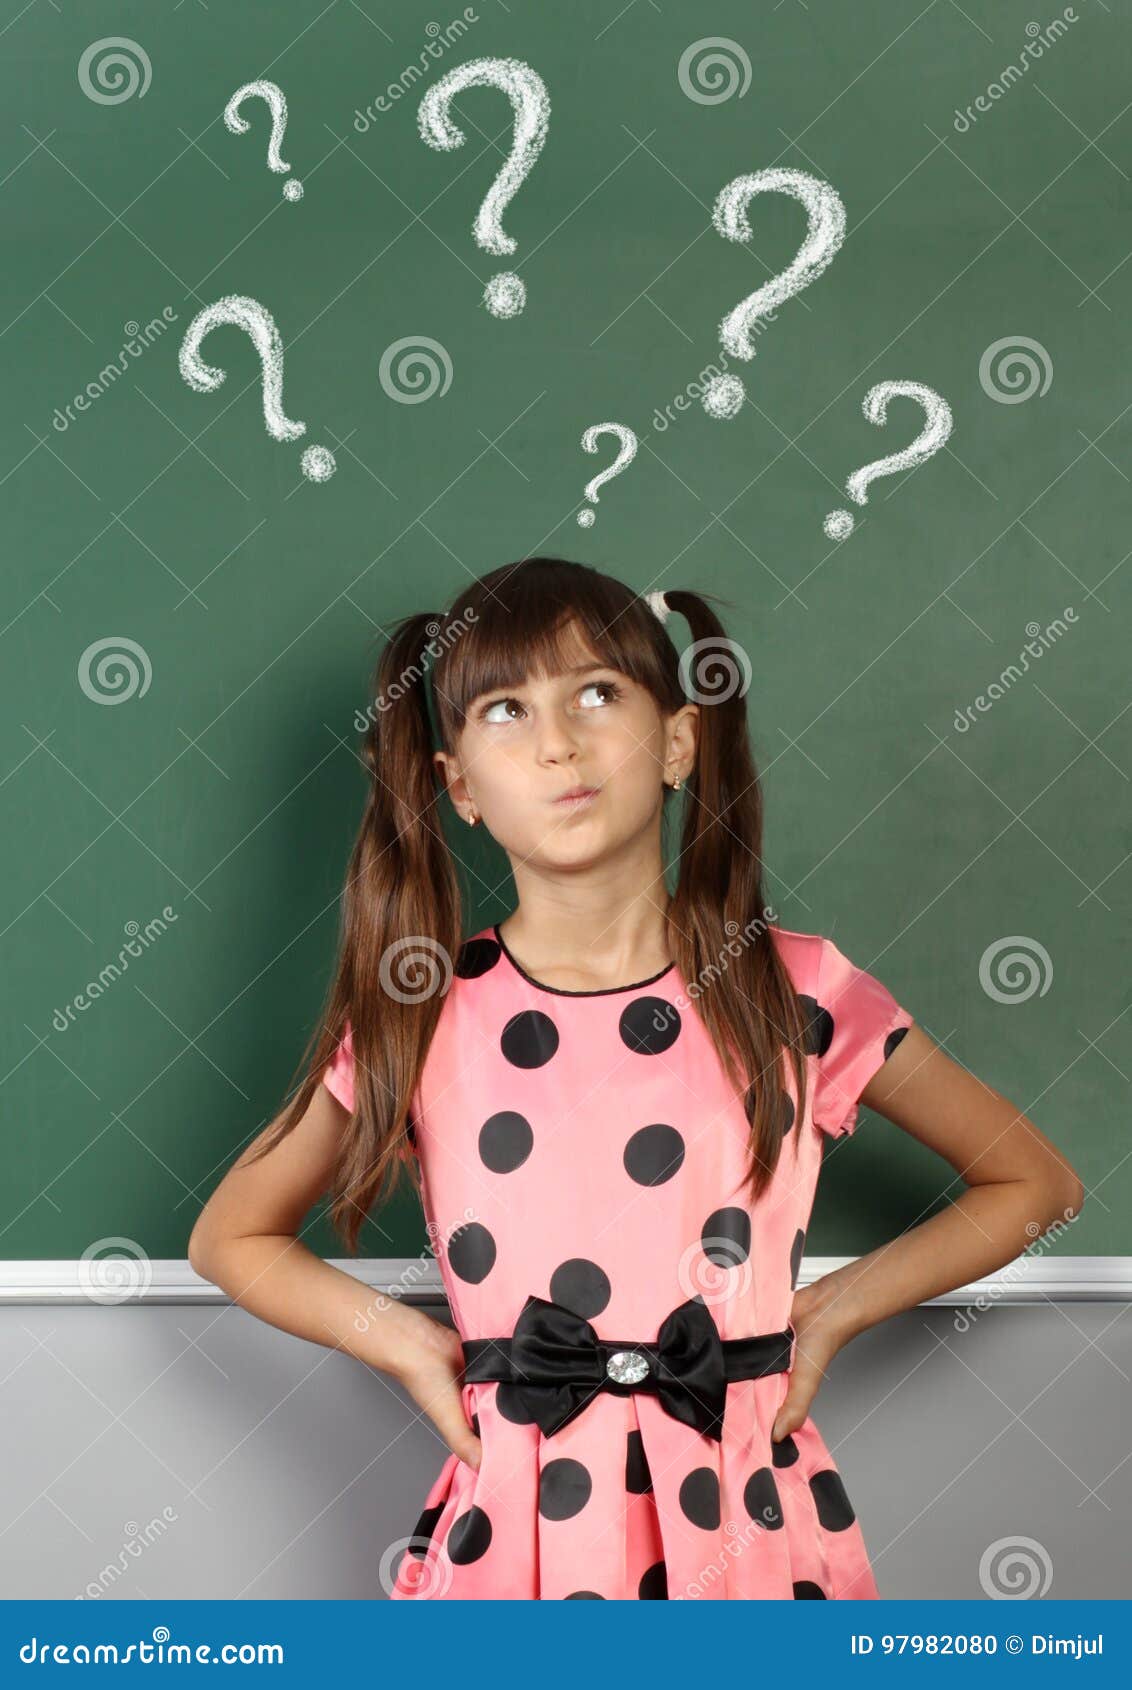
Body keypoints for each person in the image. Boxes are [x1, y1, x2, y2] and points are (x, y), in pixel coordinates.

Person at [188, 555, 1083, 1600]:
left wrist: (835, 1308)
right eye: (507, 711)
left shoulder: (796, 989)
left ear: (678, 741)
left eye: (597, 694)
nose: (558, 743)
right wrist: (402, 1342)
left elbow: (1034, 1182)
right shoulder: (419, 1015)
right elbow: (230, 1236)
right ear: (459, 785)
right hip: (518, 1538)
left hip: (744, 1528)